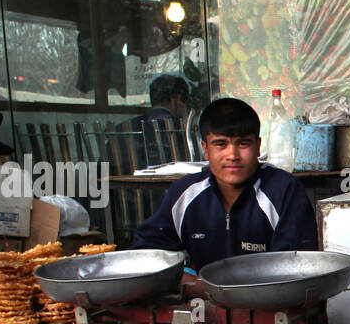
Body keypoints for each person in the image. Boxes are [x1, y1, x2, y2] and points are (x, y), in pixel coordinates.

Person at [129, 97, 318, 271]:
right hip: (202, 303)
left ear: (258, 146)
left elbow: (297, 266)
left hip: (269, 301)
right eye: (220, 144)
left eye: (243, 144)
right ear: (205, 149)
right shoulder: (184, 193)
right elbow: (146, 253)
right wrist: (184, 280)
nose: (232, 155)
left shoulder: (283, 190)